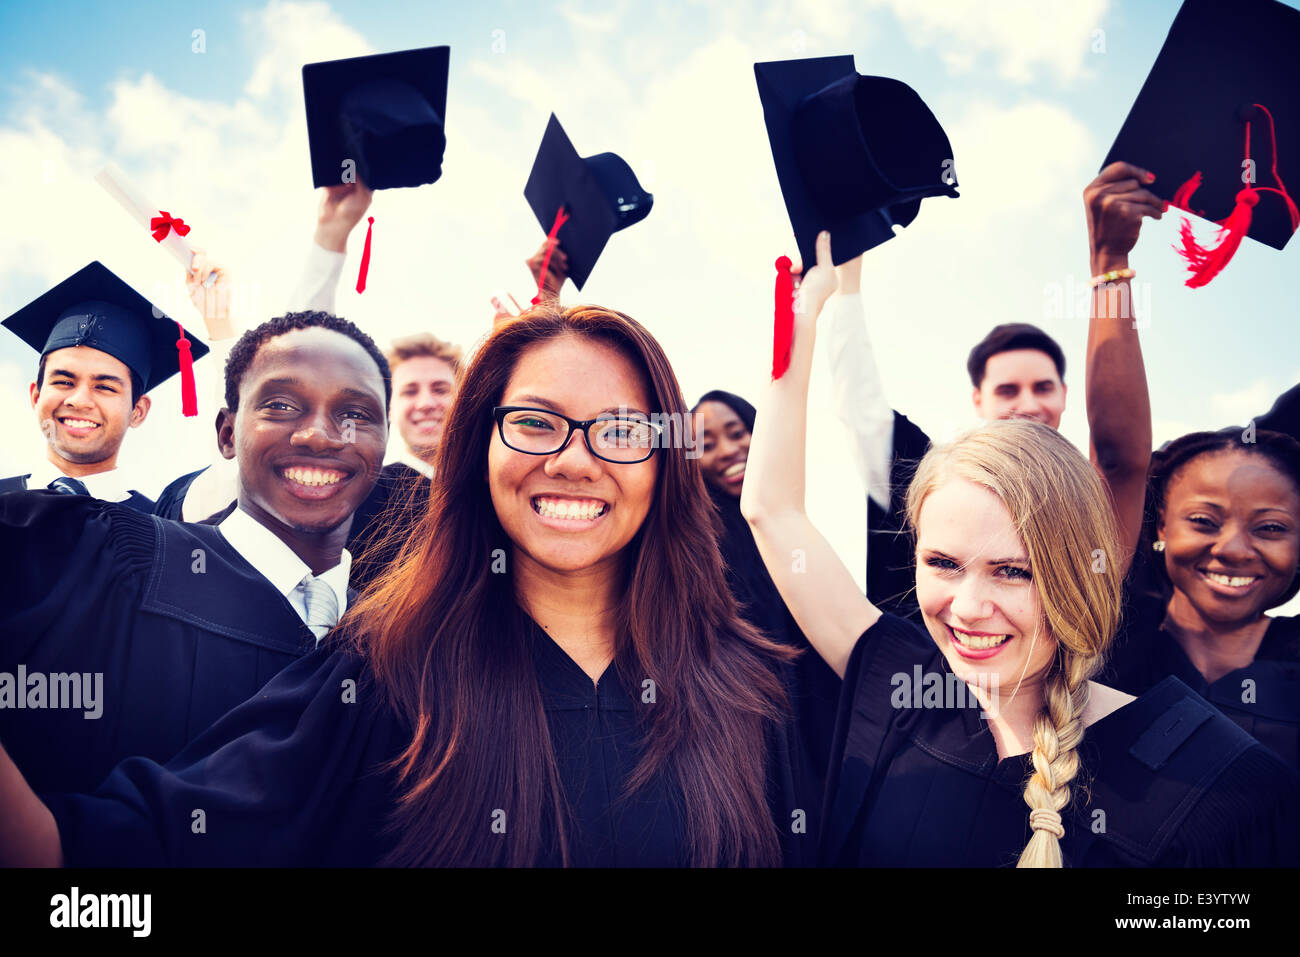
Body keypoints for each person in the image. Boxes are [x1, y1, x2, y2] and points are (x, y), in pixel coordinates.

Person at [0, 303, 817, 868]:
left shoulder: (750, 687)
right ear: (477, 449)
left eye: (622, 429)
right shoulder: (388, 670)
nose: (574, 458)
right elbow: (122, 849)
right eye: (533, 421)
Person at [741, 231, 1298, 867]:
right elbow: (772, 510)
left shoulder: (1220, 790)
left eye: (1014, 572)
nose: (970, 608)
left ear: (1083, 574)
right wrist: (808, 316)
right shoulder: (904, 689)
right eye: (943, 563)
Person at [0, 311, 389, 796]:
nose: (320, 434)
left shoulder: (400, 637)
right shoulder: (120, 557)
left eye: (356, 414)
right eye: (282, 405)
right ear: (226, 434)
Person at [831, 162, 1160, 619]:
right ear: (978, 401)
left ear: (1066, 396)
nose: (1028, 405)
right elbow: (858, 406)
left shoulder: (1085, 509)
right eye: (1008, 390)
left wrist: (1110, 265)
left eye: (1042, 387)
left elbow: (1119, 458)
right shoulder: (928, 480)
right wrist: (843, 270)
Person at [1104, 427, 1300, 770]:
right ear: (1162, 525)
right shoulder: (1108, 650)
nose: (1233, 550)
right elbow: (1118, 459)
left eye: (1271, 528)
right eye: (1203, 521)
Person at [692, 389, 840, 784]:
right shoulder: (697, 550)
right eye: (705, 444)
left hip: (828, 725)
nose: (726, 450)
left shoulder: (794, 529)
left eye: (737, 432)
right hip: (749, 737)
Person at [0, 262, 213, 510]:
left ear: (138, 411)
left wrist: (221, 322)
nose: (79, 400)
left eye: (104, 387)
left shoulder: (162, 530)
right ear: (36, 396)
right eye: (64, 382)